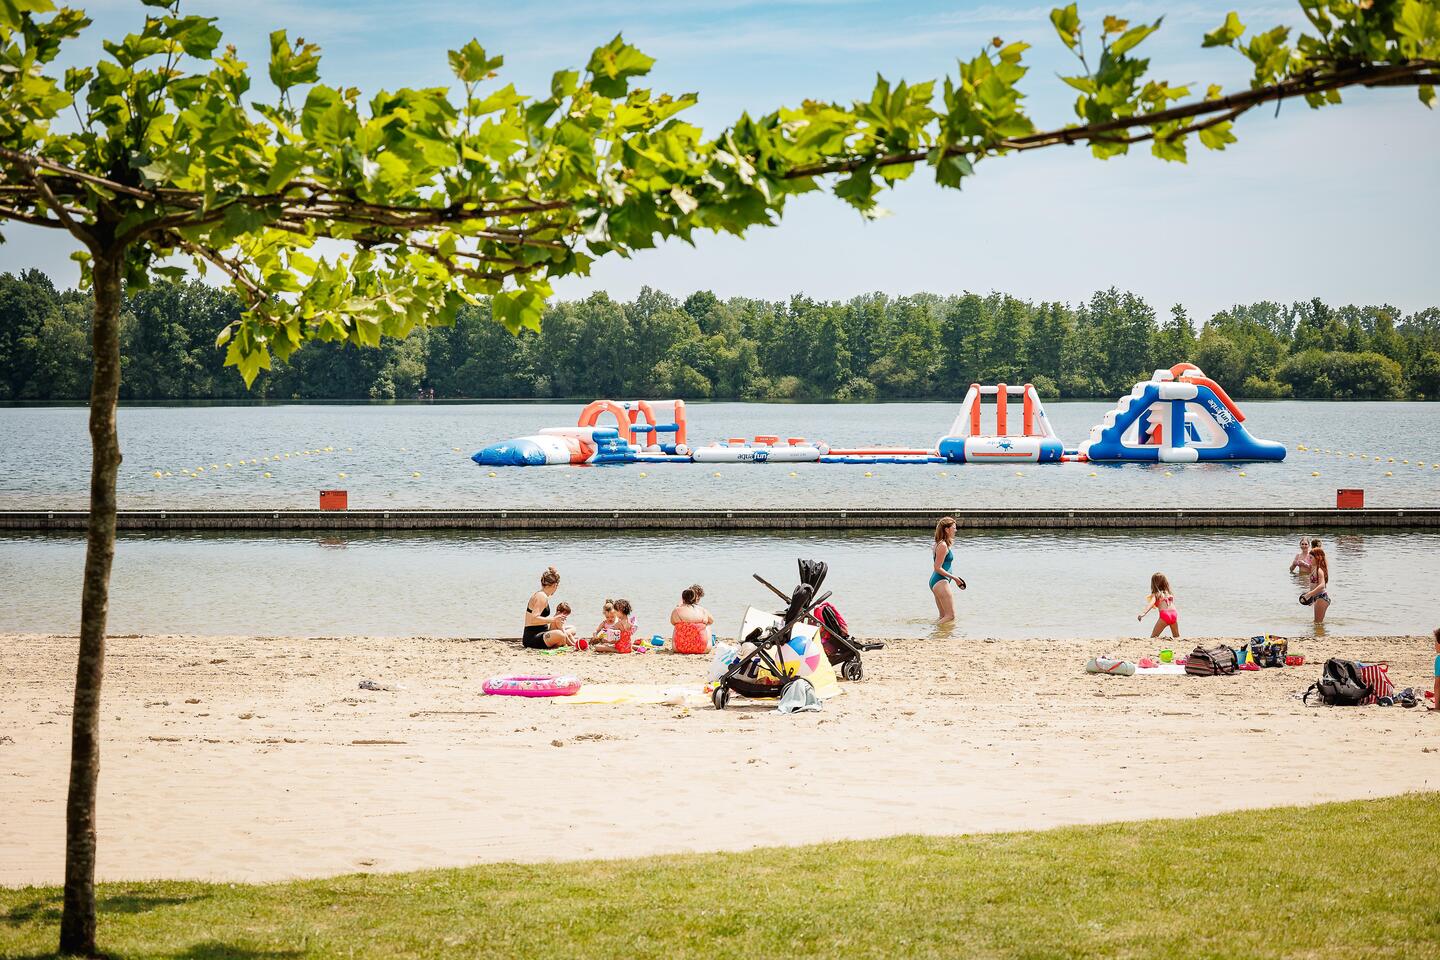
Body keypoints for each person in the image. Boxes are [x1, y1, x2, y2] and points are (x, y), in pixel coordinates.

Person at [521, 566, 571, 649]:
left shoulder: (543, 595)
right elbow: (534, 619)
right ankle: (562, 641)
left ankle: (563, 639)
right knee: (561, 635)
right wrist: (553, 619)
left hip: (543, 632)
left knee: (572, 628)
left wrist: (556, 618)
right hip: (532, 637)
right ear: (555, 585)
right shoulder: (541, 596)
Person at [929, 516, 966, 623]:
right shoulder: (943, 545)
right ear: (947, 529)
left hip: (936, 581)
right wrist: (955, 578)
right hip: (940, 581)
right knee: (950, 616)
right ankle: (933, 630)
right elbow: (937, 567)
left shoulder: (938, 543)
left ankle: (938, 635)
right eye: (954, 528)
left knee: (943, 616)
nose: (956, 530)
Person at [670, 585, 714, 654]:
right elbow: (711, 621)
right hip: (702, 648)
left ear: (682, 599)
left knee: (677, 625)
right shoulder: (702, 610)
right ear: (695, 599)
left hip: (679, 648)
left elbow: (672, 622)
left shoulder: (677, 610)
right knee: (707, 625)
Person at [1137, 572, 1180, 639]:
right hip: (1174, 614)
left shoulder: (1156, 594)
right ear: (1165, 582)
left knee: (1153, 637)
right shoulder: (1168, 593)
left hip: (1165, 615)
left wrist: (1143, 613)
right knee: (1176, 636)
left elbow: (1151, 604)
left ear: (1153, 584)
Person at [1301, 546, 1331, 624]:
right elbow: (1314, 584)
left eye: (1311, 558)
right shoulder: (1313, 568)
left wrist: (1309, 594)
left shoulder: (1319, 570)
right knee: (1317, 622)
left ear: (1317, 558)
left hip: (1321, 598)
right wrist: (1311, 598)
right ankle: (1319, 634)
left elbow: (1322, 585)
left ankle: (1319, 636)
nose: (1309, 559)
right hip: (1317, 597)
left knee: (1317, 622)